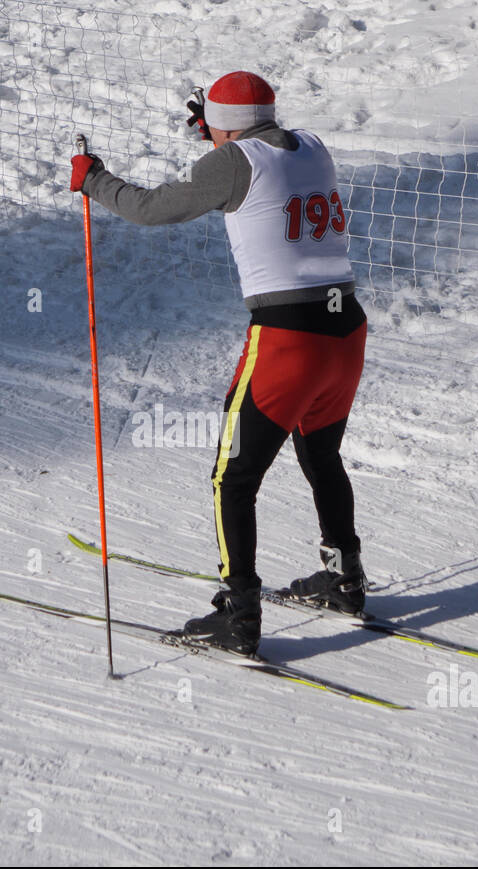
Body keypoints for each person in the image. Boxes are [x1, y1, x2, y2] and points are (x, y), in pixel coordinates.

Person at [69, 71, 368, 656]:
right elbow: (256, 150)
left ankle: (240, 614)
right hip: (345, 327)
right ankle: (345, 579)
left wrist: (95, 181)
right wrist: (221, 130)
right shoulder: (311, 146)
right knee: (321, 455)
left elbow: (154, 209)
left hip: (289, 339)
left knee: (233, 475)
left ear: (221, 123)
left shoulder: (232, 160)